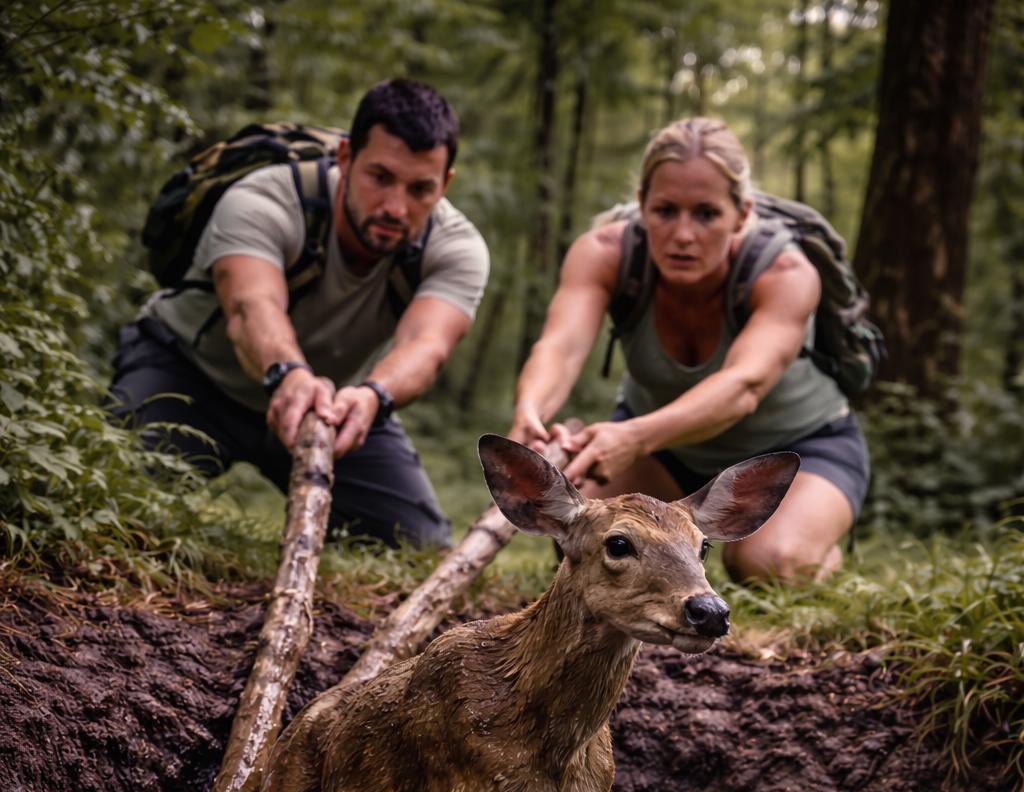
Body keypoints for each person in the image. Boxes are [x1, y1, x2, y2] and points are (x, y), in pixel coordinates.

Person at [111, 78, 490, 548]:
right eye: (380, 177)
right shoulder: (265, 198)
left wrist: (373, 396)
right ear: (346, 158)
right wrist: (289, 374)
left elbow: (426, 346)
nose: (396, 206)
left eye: (420, 188)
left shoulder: (456, 246)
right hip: (189, 376)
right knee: (112, 499)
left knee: (420, 546)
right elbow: (252, 306)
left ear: (445, 183)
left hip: (335, 408)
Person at [511, 117, 870, 582]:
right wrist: (530, 408)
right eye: (664, 211)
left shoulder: (785, 272)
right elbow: (560, 347)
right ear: (641, 204)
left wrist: (635, 436)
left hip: (797, 449)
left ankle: (811, 550)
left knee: (768, 565)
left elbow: (744, 385)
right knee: (583, 539)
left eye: (706, 214)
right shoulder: (603, 253)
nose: (683, 234)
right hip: (664, 453)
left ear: (741, 214)